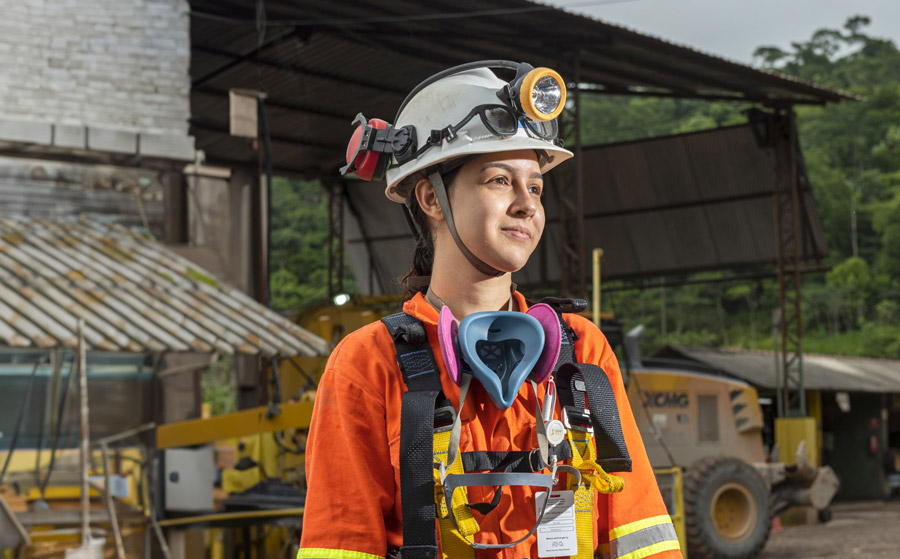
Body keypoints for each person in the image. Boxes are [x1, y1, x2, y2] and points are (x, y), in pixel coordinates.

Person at [298, 61, 682, 559]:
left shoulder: (581, 352)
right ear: (431, 199)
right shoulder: (369, 364)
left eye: (536, 187)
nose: (528, 205)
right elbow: (342, 544)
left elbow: (640, 538)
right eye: (500, 180)